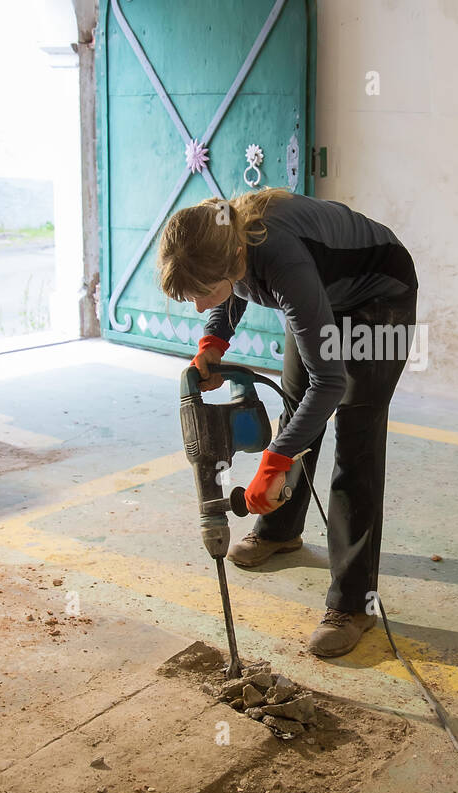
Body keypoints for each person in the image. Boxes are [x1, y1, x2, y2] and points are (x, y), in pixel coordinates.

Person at [158, 188, 418, 658]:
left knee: (356, 435)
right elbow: (230, 287)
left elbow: (330, 383)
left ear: (236, 256)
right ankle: (280, 530)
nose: (198, 306)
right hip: (323, 293)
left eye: (202, 295)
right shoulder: (226, 236)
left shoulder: (282, 260)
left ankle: (353, 603)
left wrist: (274, 461)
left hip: (380, 295)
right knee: (296, 406)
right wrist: (214, 340)